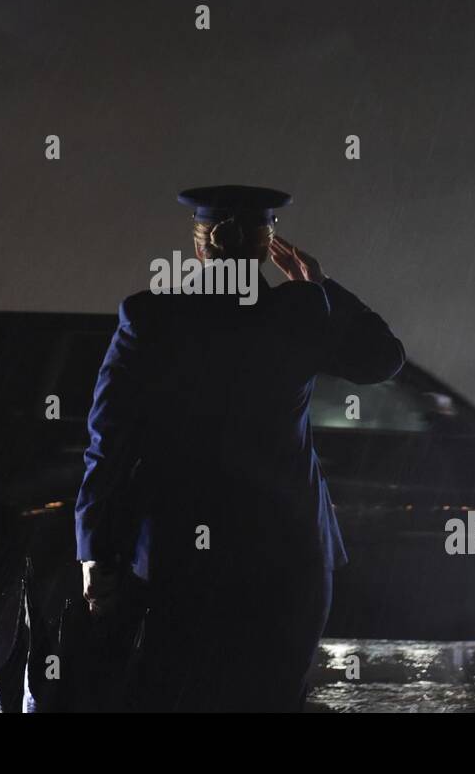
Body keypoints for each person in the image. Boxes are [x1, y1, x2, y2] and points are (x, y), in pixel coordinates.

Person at [75, 185, 405, 711]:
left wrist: (93, 550)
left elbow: (107, 442)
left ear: (199, 248)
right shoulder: (300, 313)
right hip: (288, 559)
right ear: (265, 246)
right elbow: (383, 359)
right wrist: (320, 285)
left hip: (181, 557)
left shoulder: (149, 318)